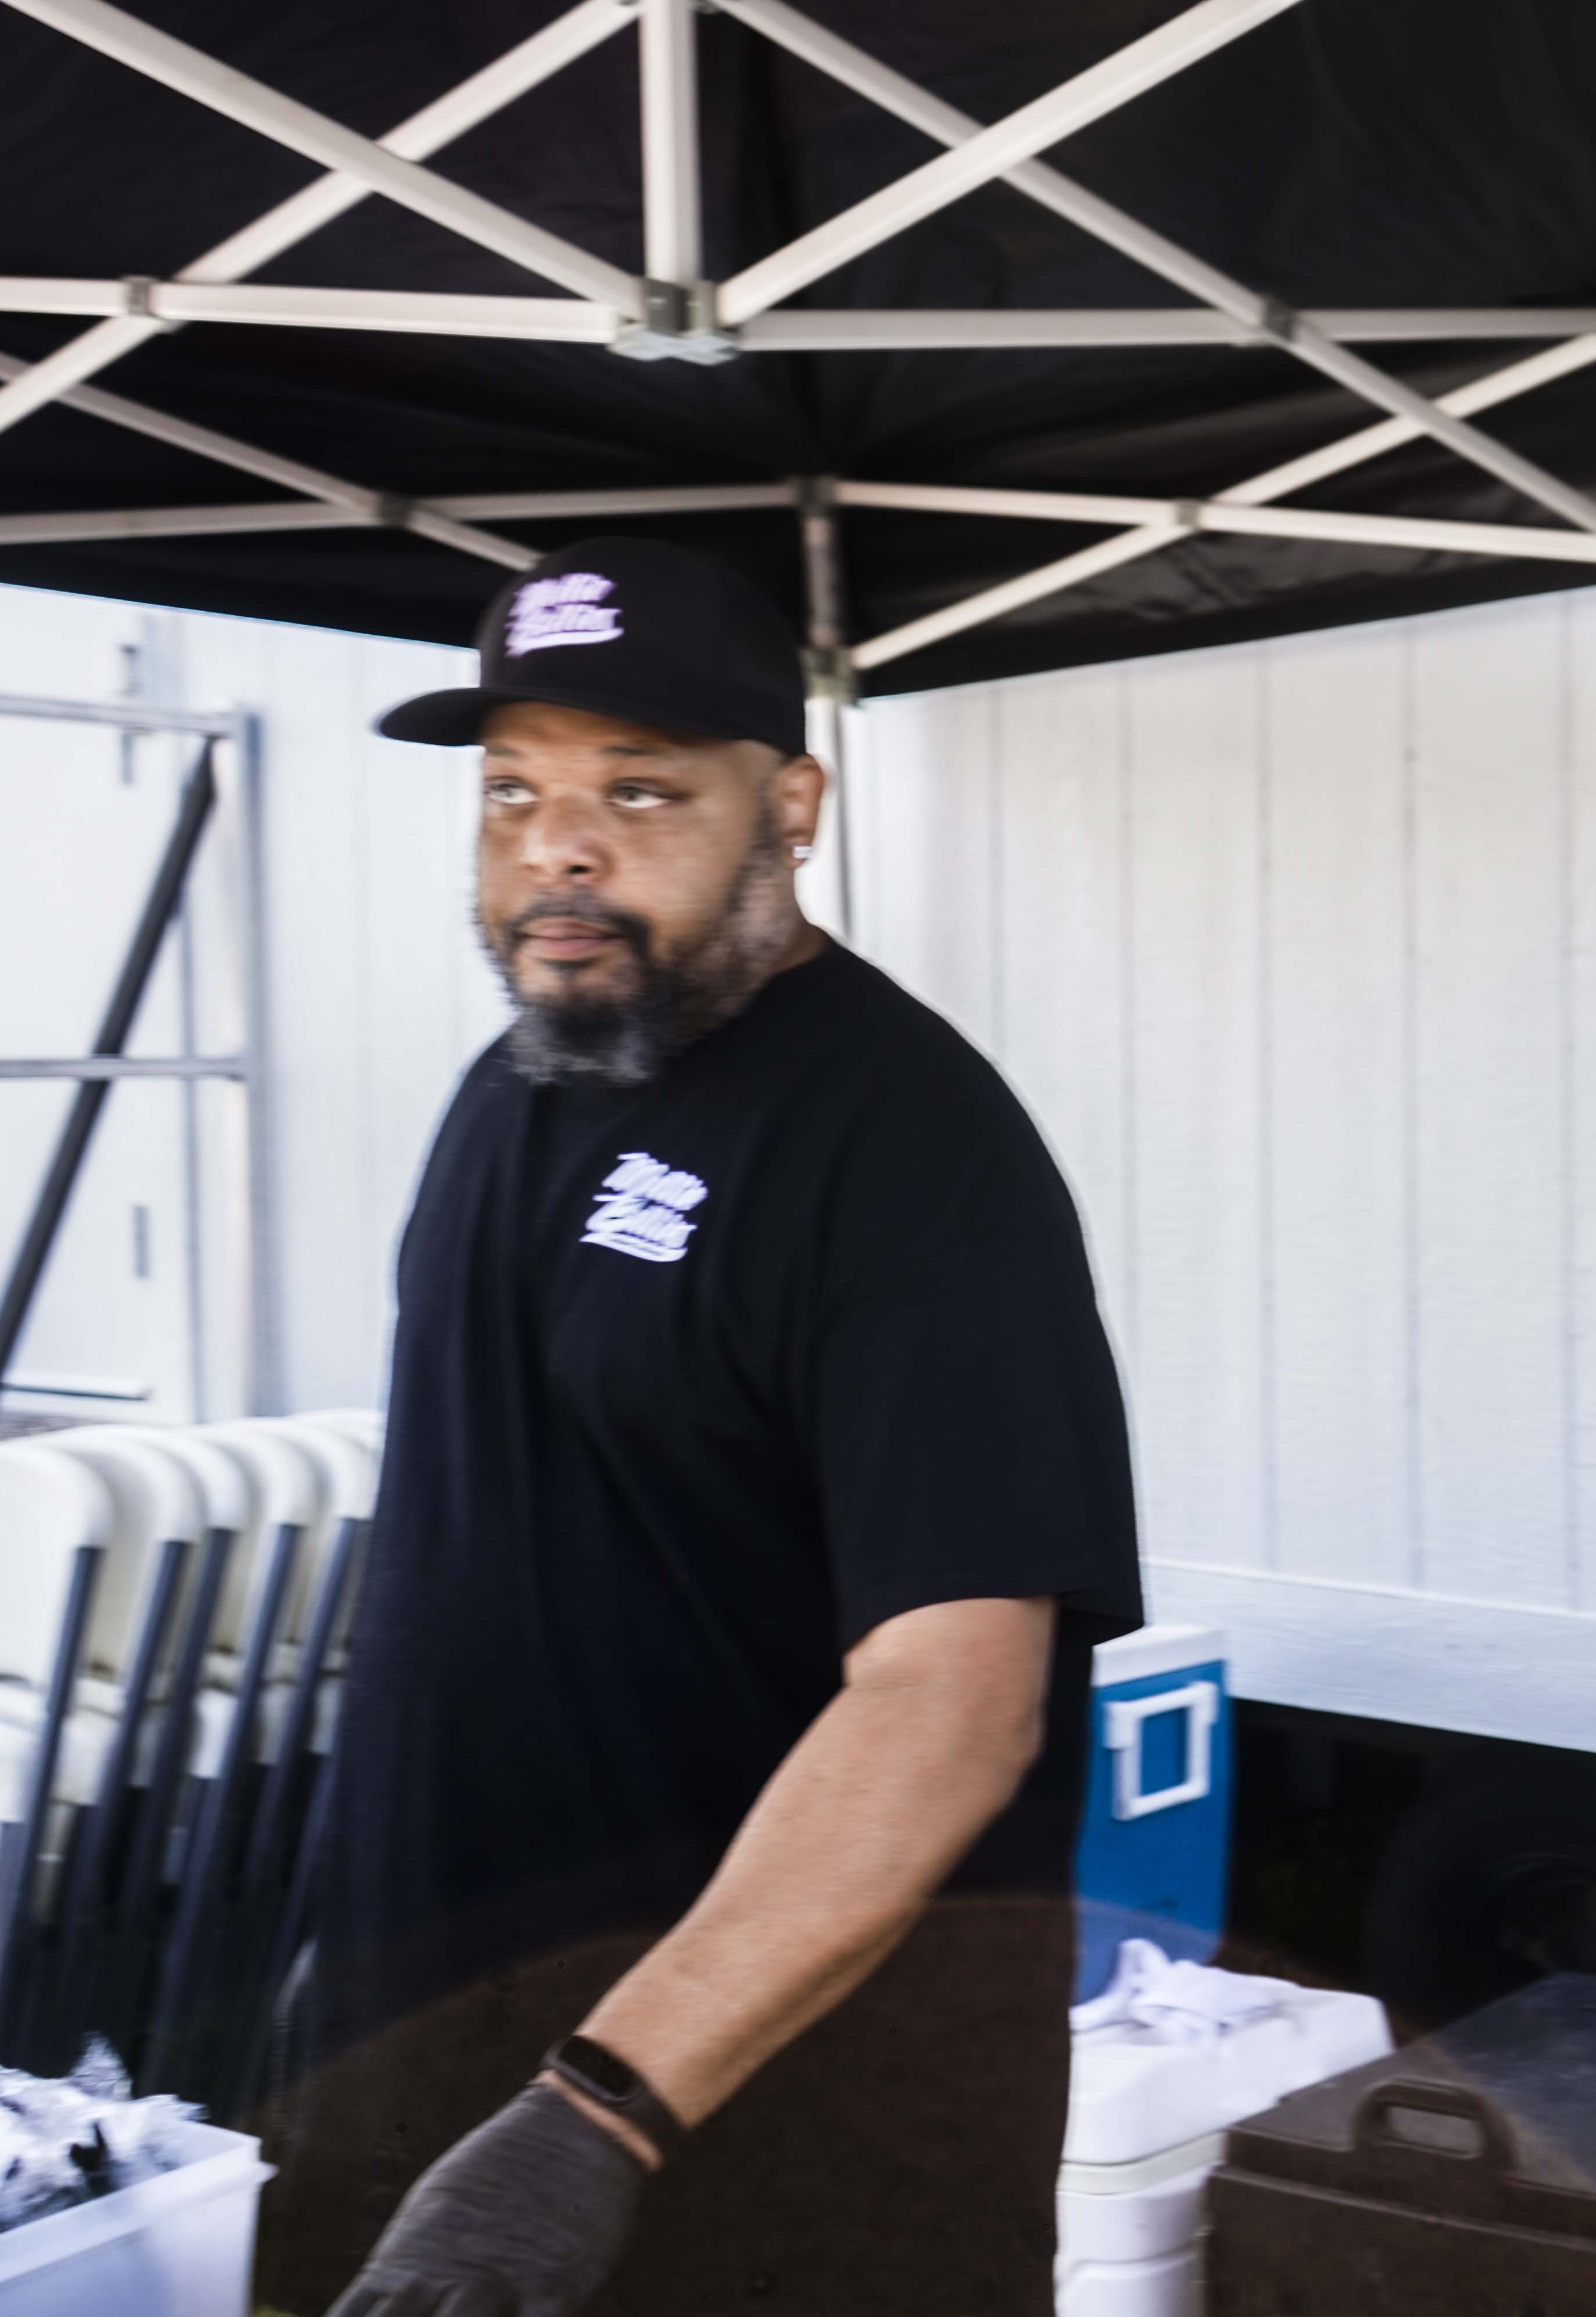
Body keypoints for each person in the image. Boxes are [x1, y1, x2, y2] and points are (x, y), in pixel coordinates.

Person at [261, 538, 1142, 2317]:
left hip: (751, 2150)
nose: (558, 847)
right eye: (513, 792)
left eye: (638, 791)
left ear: (792, 803)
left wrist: (597, 2115)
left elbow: (953, 1702)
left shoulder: (910, 1153)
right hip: (422, 2089)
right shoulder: (507, 1092)